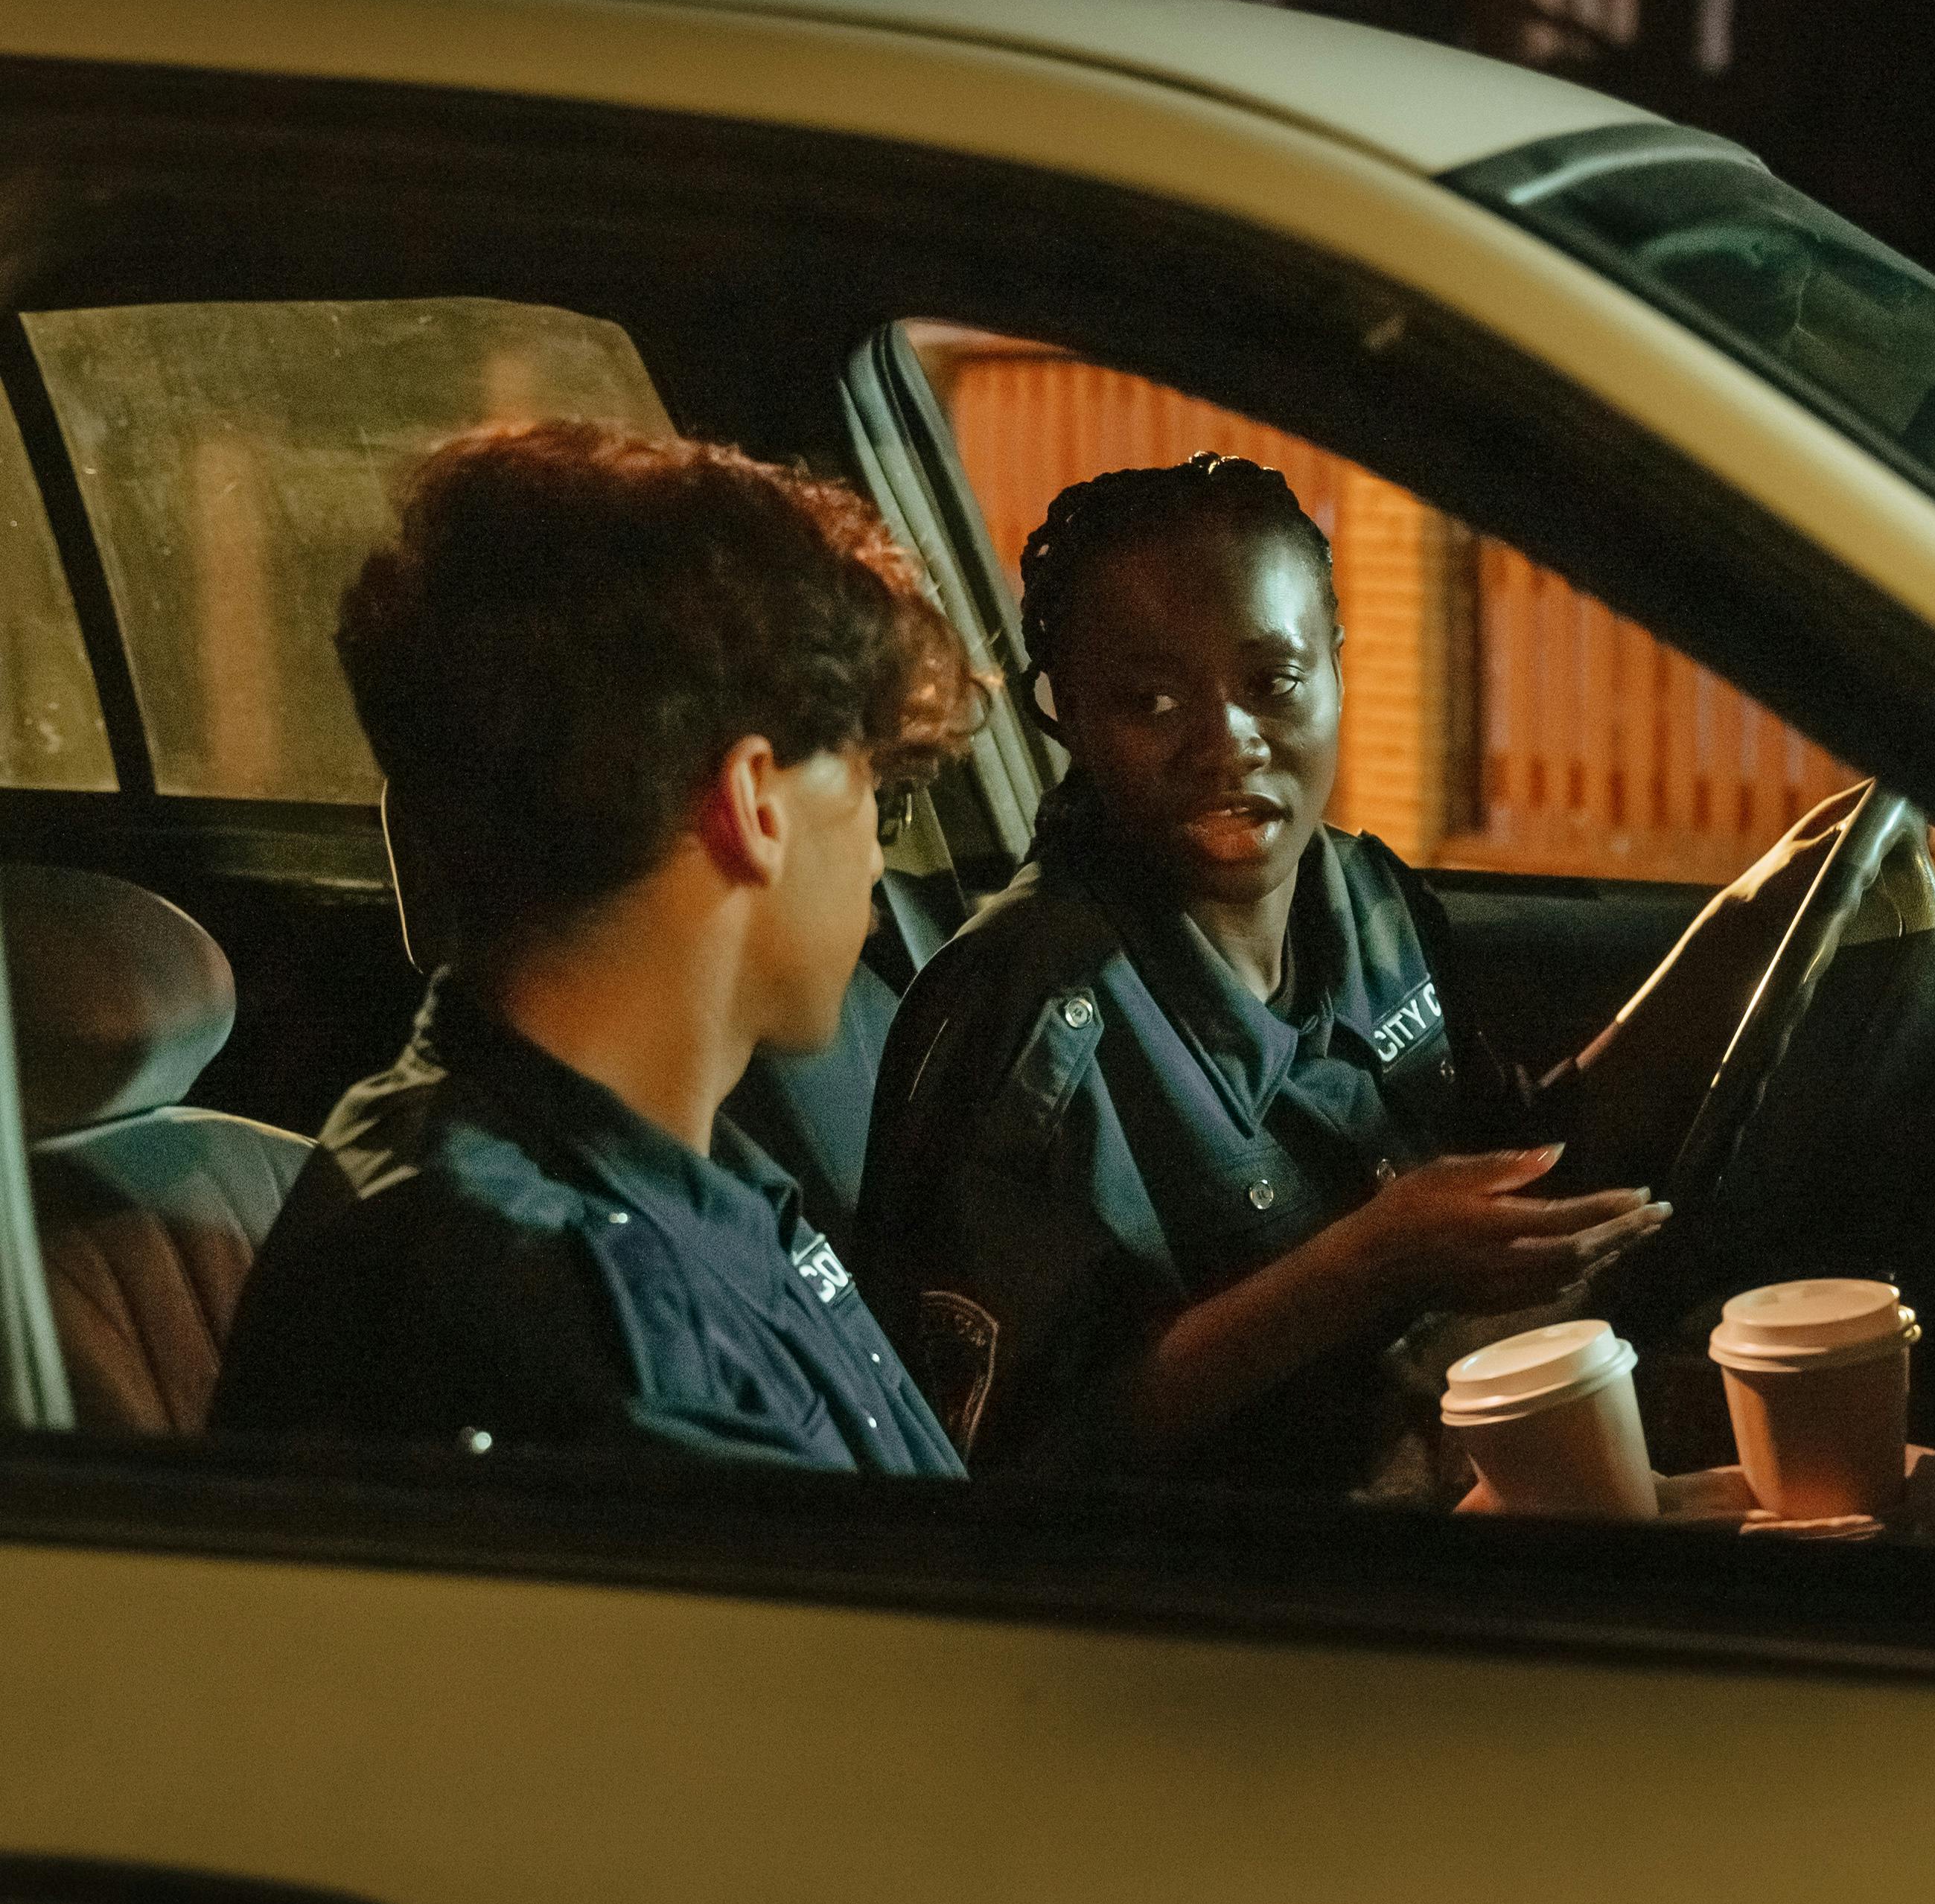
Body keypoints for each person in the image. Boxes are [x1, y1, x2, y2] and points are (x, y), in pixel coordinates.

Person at [855, 453, 1831, 1491]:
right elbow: (999, 1459)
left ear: (1336, 668)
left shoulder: (1366, 899)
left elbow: (1504, 1142)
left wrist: (1750, 928)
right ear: (1068, 719)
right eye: (1149, 700)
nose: (1227, 741)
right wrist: (1363, 1267)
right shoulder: (1019, 1020)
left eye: (1272, 682)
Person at [215, 421, 980, 1475]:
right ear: (754, 803)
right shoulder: (577, 1331)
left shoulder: (628, 1165)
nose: (873, 871)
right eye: (873, 793)